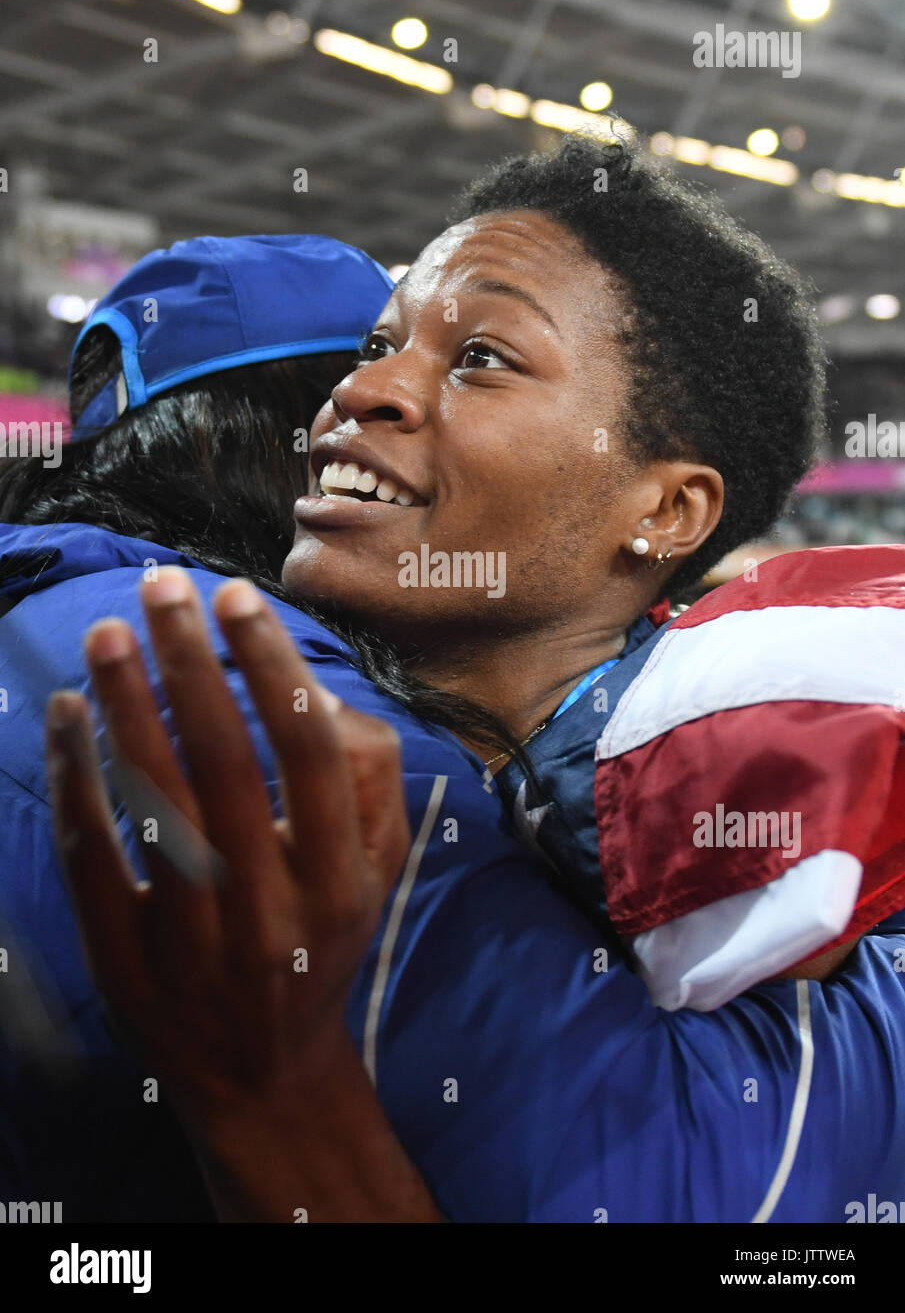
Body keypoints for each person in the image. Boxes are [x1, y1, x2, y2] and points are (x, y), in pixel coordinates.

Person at [33, 132, 905, 1220]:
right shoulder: (347, 737)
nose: (360, 390)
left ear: (664, 510)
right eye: (376, 341)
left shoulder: (738, 798)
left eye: (480, 357)